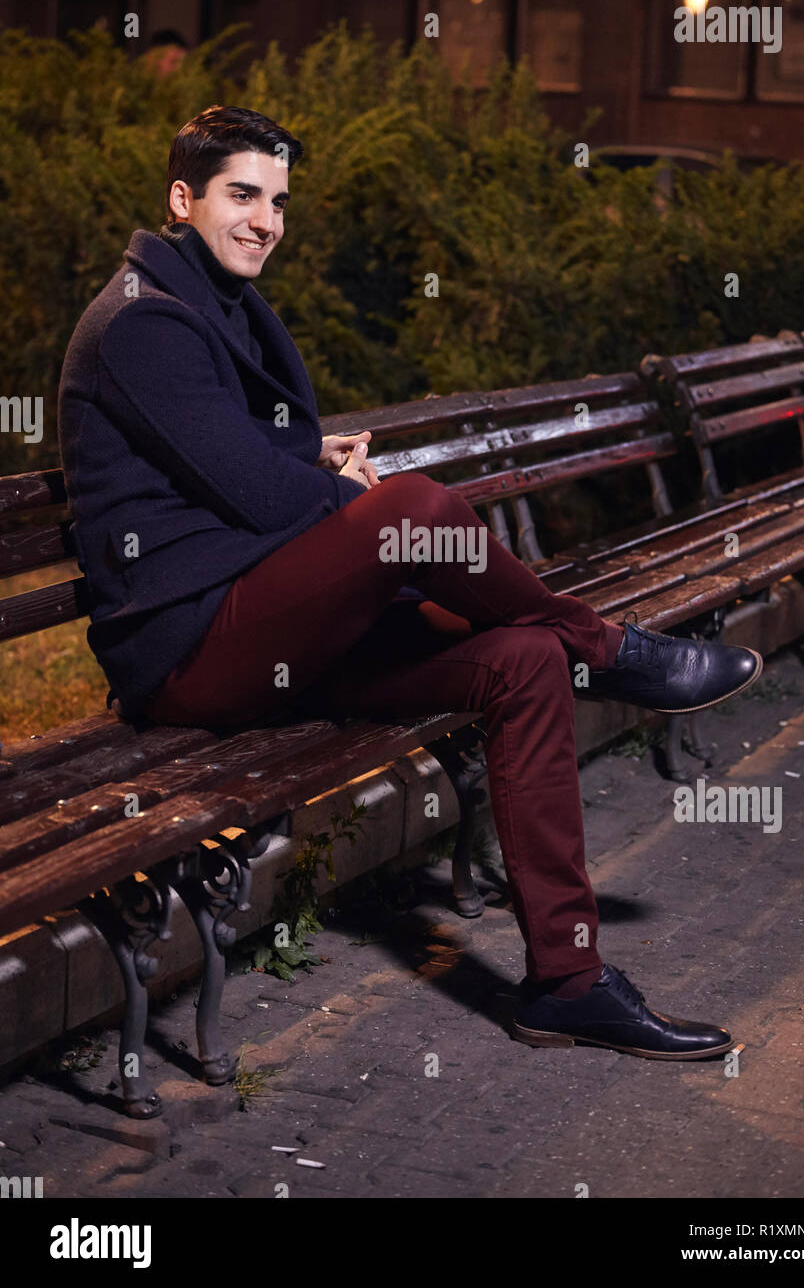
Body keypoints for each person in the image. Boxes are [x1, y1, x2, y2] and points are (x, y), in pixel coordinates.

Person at [58, 105, 763, 1061]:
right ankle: (608, 648)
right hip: (191, 650)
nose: (265, 221)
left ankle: (568, 983)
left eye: (278, 202)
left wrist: (309, 453)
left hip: (272, 630)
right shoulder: (141, 322)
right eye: (242, 195)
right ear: (182, 199)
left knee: (522, 660)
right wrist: (336, 488)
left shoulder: (210, 303)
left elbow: (232, 448)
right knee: (414, 511)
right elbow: (258, 496)